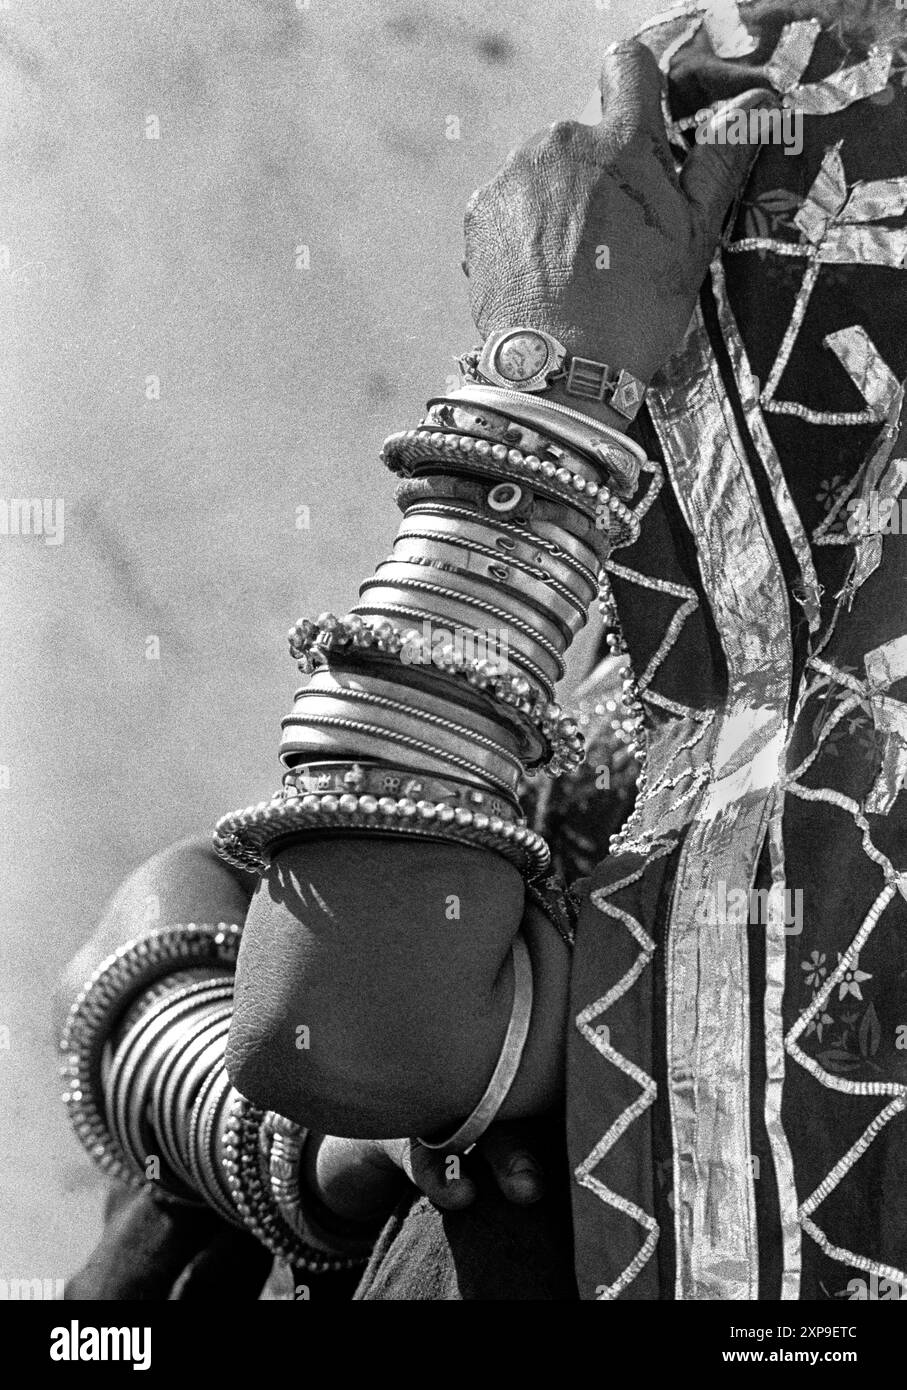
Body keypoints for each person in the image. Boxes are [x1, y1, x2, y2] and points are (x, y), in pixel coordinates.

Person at [59, 0, 907, 1301]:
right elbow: (171, 924)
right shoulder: (663, 768)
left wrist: (548, 385)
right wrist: (324, 1148)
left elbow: (325, 1019)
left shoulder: (816, 845)